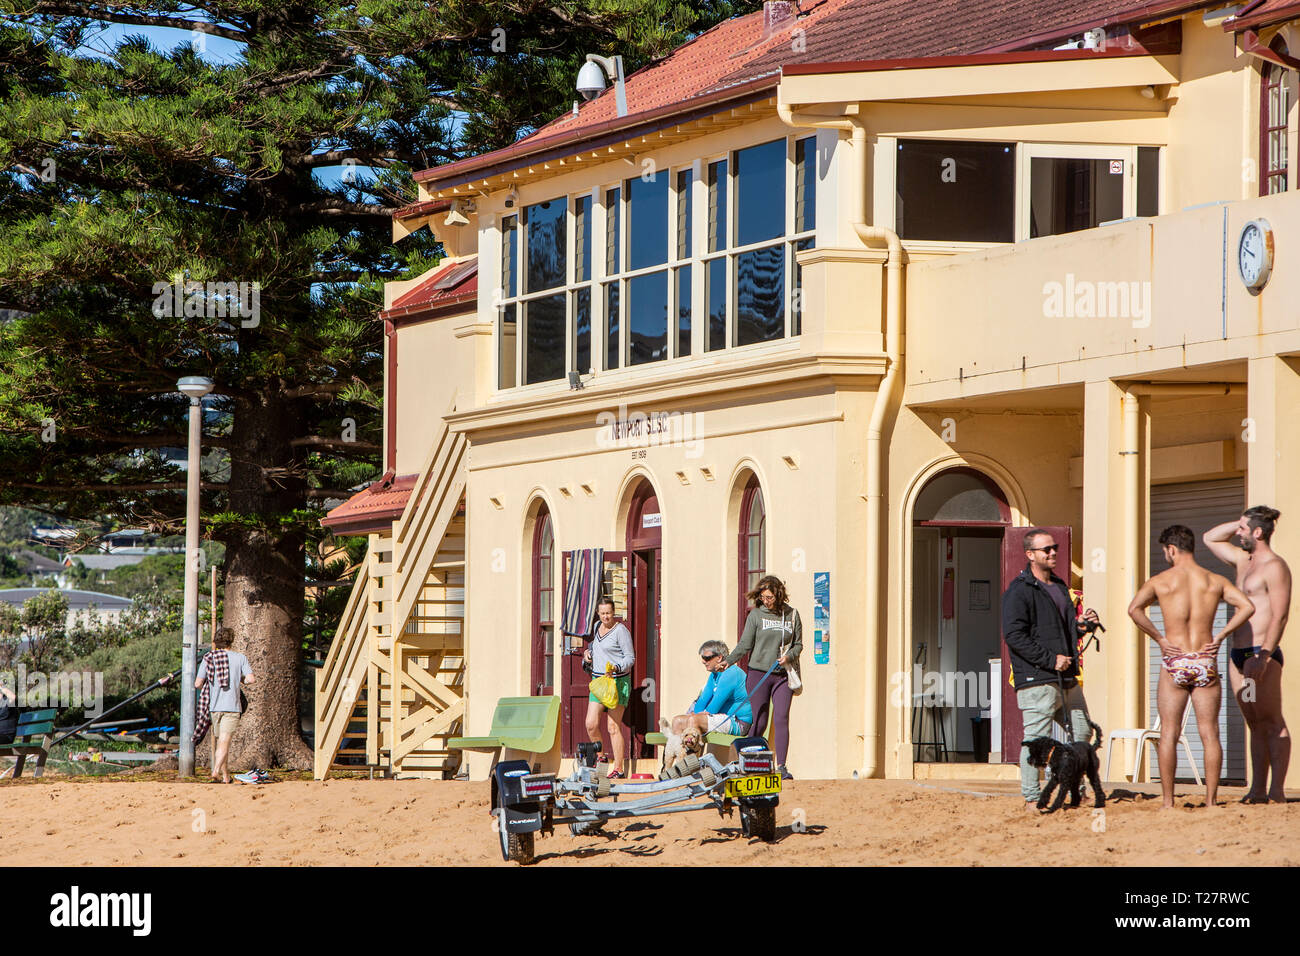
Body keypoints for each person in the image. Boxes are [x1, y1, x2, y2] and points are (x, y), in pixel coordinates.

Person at [1127, 525, 1255, 808]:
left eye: (1165, 551)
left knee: (1169, 733)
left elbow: (1133, 609)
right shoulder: (1214, 580)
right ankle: (1210, 802)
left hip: (1175, 659)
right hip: (1204, 659)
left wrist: (1159, 638)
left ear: (1171, 549)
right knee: (1209, 733)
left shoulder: (1161, 581)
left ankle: (1168, 802)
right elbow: (1247, 606)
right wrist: (1221, 636)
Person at [1002, 528, 1100, 812]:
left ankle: (1077, 790)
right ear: (1030, 555)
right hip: (1037, 679)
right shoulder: (1019, 591)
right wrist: (1049, 659)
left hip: (1067, 678)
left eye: (1054, 547)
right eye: (1046, 549)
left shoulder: (1058, 587)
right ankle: (1032, 797)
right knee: (1035, 740)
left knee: (1082, 732)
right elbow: (1014, 636)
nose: (1053, 552)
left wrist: (1083, 627)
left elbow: (1061, 631)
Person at [1204, 505, 1292, 803]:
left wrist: (1264, 657)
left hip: (1259, 654)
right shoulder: (1244, 560)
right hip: (1239, 657)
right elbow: (1210, 538)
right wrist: (1242, 521)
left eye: (1243, 529)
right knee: (1254, 722)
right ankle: (1257, 789)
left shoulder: (1274, 566)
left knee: (1272, 722)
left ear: (1258, 533)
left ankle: (1276, 790)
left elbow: (1279, 616)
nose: (1237, 533)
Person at [726, 575, 801, 779]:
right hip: (759, 673)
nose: (766, 600)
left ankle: (782, 766)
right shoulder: (756, 616)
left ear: (778, 595)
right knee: (759, 720)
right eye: (763, 597)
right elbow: (745, 645)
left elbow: (798, 644)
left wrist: (790, 655)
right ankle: (751, 763)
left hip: (783, 675)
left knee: (781, 717)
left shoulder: (792, 614)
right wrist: (729, 660)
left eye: (769, 597)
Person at [194, 625, 254, 784]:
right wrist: (240, 679)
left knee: (222, 742)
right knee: (224, 742)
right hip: (232, 707)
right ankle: (215, 771)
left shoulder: (209, 658)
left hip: (214, 706)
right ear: (231, 641)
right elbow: (251, 679)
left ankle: (226, 776)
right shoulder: (240, 658)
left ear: (216, 641)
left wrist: (210, 685)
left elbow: (198, 683)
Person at [583, 597, 634, 778]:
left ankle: (619, 769)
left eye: (609, 613)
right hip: (599, 682)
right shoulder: (597, 626)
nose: (606, 617)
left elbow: (630, 658)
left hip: (618, 682)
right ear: (598, 613)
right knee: (591, 724)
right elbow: (596, 648)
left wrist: (617, 667)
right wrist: (588, 655)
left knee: (613, 726)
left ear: (614, 613)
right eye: (603, 613)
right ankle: (601, 757)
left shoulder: (621, 631)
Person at [681, 640, 752, 737]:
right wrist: (695, 713)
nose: (703, 661)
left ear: (719, 658)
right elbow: (701, 702)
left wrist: (696, 716)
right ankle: (675, 752)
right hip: (723, 717)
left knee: (694, 721)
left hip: (738, 722)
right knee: (678, 721)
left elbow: (713, 708)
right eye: (702, 658)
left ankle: (691, 752)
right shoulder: (714, 675)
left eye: (707, 658)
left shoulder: (731, 673)